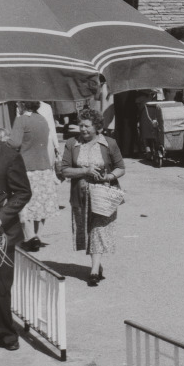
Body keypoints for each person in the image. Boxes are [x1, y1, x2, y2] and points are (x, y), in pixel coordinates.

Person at [57, 107, 124, 291]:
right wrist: (85, 171)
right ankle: (97, 264)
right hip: (81, 196)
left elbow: (120, 167)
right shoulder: (72, 143)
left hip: (103, 195)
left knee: (98, 231)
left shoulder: (109, 143)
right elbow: (64, 170)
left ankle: (94, 271)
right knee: (87, 232)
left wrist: (109, 176)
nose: (83, 129)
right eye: (81, 125)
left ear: (97, 127)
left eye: (87, 126)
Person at [8, 101, 59, 251]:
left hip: (26, 166)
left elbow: (15, 143)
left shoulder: (21, 120)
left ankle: (29, 237)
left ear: (23, 105)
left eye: (18, 104)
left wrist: (4, 141)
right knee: (41, 203)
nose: (17, 107)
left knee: (25, 203)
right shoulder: (42, 119)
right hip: (44, 165)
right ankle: (38, 235)